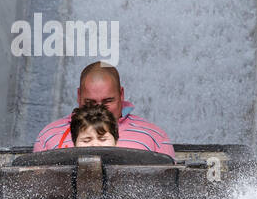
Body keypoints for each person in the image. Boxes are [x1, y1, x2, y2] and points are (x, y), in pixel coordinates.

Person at [33, 61, 174, 155]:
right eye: (90, 102)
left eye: (107, 101)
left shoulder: (155, 137)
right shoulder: (47, 136)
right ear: (79, 95)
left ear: (121, 94)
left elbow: (170, 193)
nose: (100, 108)